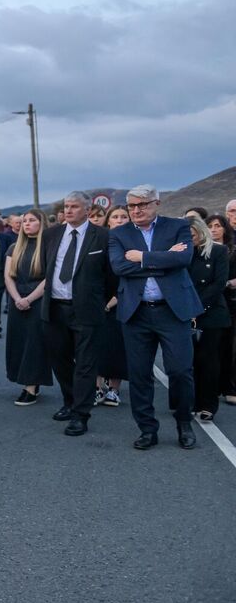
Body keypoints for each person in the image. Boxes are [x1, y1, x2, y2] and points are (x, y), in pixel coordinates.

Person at [108, 185, 203, 450]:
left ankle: (184, 423)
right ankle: (147, 429)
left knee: (181, 371)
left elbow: (183, 258)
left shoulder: (177, 227)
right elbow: (119, 266)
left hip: (172, 312)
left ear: (157, 203)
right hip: (136, 313)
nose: (136, 210)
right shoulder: (119, 234)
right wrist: (163, 260)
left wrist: (143, 258)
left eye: (143, 204)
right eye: (132, 206)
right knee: (139, 375)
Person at [40, 191, 113, 436]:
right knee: (59, 360)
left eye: (74, 206)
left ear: (87, 209)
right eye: (66, 206)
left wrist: (98, 301)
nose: (68, 211)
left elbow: (111, 276)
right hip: (55, 308)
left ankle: (81, 414)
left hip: (87, 311)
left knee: (85, 364)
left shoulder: (102, 237)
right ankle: (69, 401)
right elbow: (47, 268)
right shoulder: (51, 235)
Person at [3, 209, 52, 405]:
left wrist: (29, 299)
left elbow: (49, 278)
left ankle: (31, 386)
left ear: (42, 223)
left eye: (32, 220)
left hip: (38, 300)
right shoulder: (14, 247)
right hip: (17, 300)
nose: (27, 224)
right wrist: (17, 298)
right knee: (19, 342)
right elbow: (8, 276)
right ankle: (26, 381)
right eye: (24, 221)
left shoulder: (49, 246)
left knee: (35, 344)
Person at [187, 215, 229, 421]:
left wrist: (198, 307)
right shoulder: (183, 253)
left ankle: (208, 405)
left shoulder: (219, 251)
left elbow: (219, 283)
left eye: (194, 235)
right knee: (188, 360)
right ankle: (190, 402)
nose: (191, 239)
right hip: (185, 313)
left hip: (211, 313)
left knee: (209, 360)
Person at [96, 206, 132, 407]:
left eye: (123, 217)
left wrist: (111, 303)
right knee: (96, 346)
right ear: (108, 220)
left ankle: (114, 390)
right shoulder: (99, 242)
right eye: (115, 216)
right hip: (97, 301)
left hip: (123, 301)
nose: (119, 220)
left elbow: (131, 277)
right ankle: (97, 388)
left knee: (118, 347)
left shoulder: (134, 244)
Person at [212, 213, 236, 406]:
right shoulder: (200, 250)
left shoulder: (232, 250)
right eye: (210, 226)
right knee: (213, 348)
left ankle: (230, 387)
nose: (214, 229)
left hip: (232, 302)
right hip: (211, 301)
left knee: (231, 347)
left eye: (218, 226)